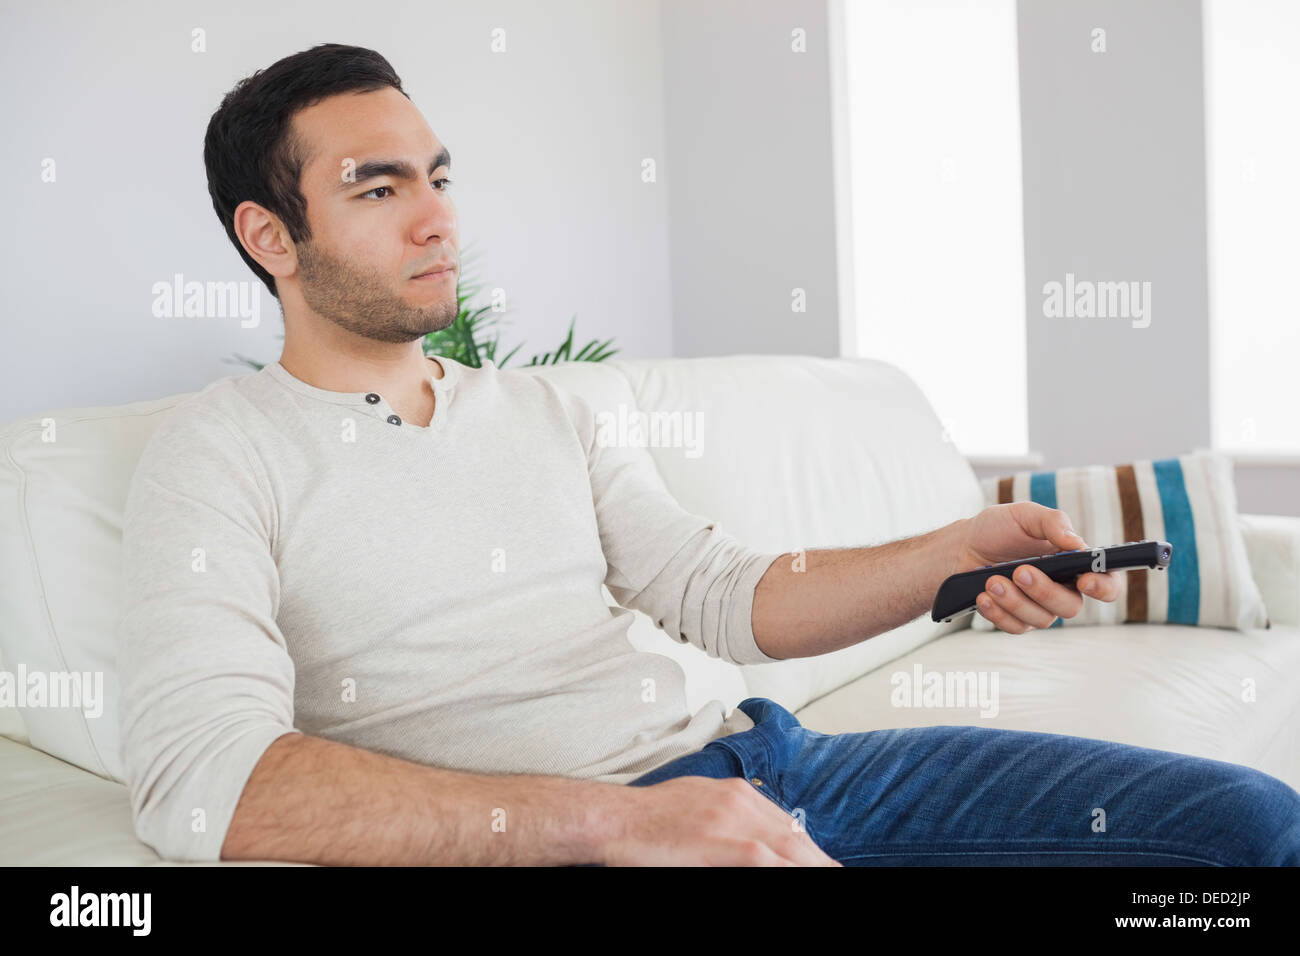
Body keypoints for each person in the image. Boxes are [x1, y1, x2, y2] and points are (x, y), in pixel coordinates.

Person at [115, 43, 1300, 867]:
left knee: (1252, 825)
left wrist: (956, 544)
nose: (438, 219)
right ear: (270, 235)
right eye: (378, 188)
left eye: (438, 176)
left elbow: (724, 597)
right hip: (585, 831)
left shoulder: (544, 408)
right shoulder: (216, 457)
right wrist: (614, 825)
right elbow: (202, 776)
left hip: (775, 758)